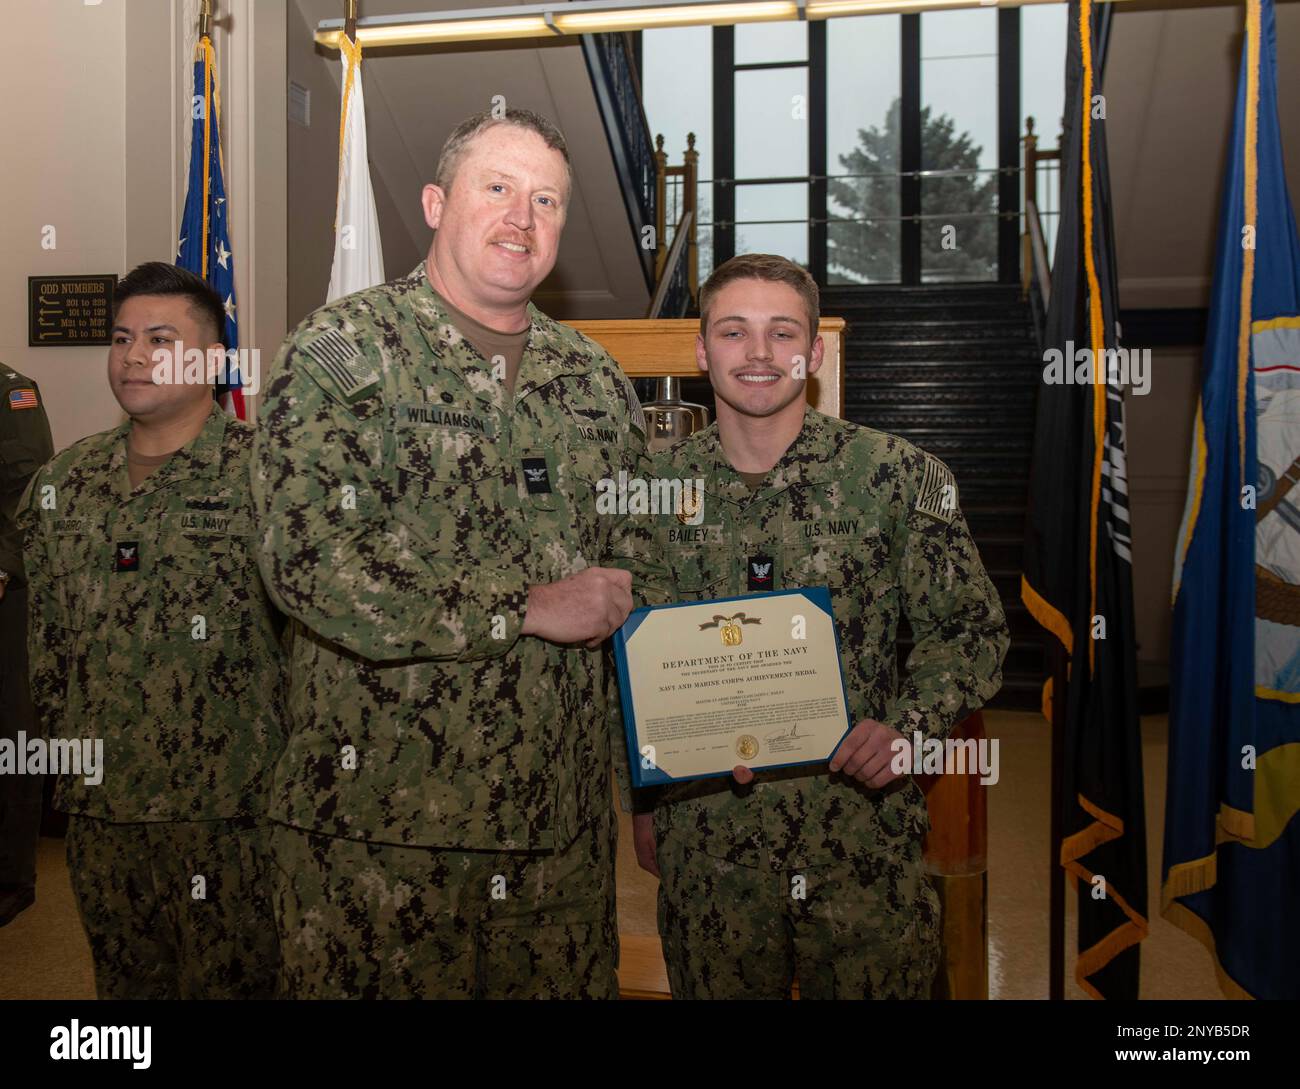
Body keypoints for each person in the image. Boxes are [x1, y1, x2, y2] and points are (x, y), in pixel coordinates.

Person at [251, 107, 664, 999]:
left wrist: (669, 762)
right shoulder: (341, 356)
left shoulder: (594, 380)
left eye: (546, 199)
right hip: (380, 834)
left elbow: (635, 571)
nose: (522, 217)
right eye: (498, 188)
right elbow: (309, 562)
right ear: (437, 203)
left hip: (558, 841)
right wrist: (521, 608)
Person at [633, 253, 1009, 999]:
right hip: (709, 847)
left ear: (815, 352)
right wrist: (641, 797)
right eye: (735, 332)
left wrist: (908, 725)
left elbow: (970, 629)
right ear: (703, 351)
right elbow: (632, 652)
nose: (761, 353)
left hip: (859, 843)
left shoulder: (897, 476)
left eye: (782, 332)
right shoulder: (651, 492)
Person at [18, 262, 284, 998]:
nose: (133, 356)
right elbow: (48, 648)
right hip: (104, 814)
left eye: (160, 339)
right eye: (121, 337)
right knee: (127, 995)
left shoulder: (270, 478)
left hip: (235, 815)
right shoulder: (63, 485)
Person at [0, 366, 55, 928]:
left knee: (12, 730)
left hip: (4, 591)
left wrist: (3, 565)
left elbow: (30, 487)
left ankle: (12, 877)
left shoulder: (11, 390)